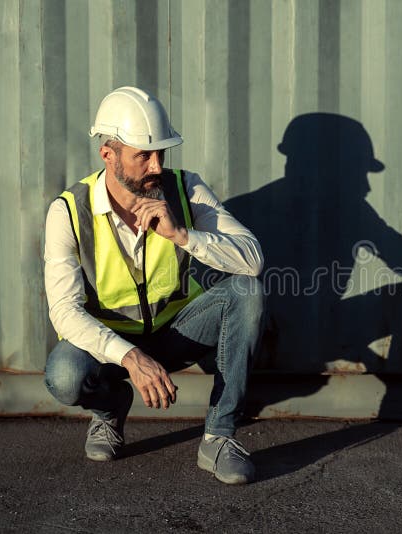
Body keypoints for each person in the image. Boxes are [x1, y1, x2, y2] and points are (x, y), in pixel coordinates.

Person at [43, 86, 265, 485]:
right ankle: (110, 409)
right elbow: (63, 310)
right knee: (63, 375)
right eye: (142, 155)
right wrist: (129, 357)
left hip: (176, 333)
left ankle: (219, 436)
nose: (156, 165)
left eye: (161, 153)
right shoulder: (68, 211)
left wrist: (183, 236)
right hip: (111, 346)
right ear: (108, 155)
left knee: (247, 291)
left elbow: (252, 259)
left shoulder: (186, 188)